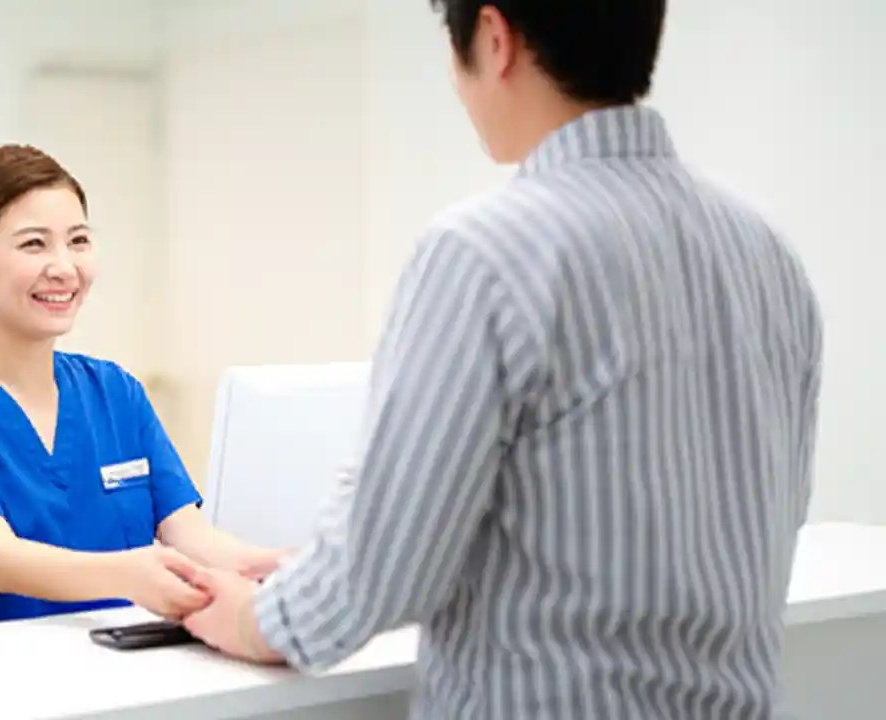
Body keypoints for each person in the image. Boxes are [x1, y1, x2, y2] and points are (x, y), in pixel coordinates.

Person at [183, 0, 823, 718]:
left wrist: (245, 614)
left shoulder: (484, 252)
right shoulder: (768, 254)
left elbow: (368, 584)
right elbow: (769, 519)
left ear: (493, 38)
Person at [0, 144, 286, 631]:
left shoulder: (116, 392)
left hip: (122, 676)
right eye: (34, 244)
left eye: (78, 241)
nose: (64, 267)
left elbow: (192, 538)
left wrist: (283, 565)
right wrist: (129, 573)